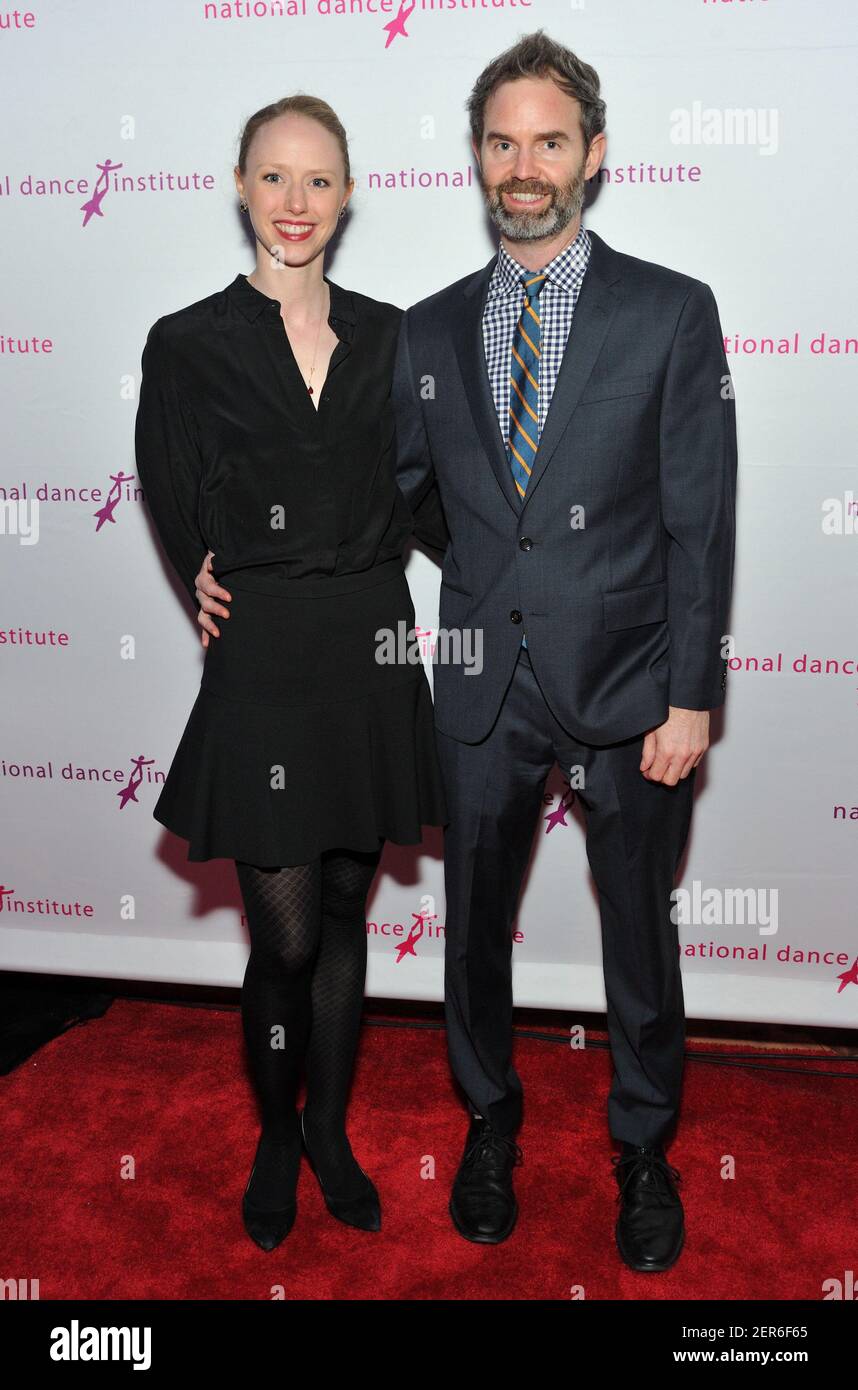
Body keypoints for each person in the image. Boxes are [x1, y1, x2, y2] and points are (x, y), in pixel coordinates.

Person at [390, 31, 736, 1271]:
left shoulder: (670, 312)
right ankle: (489, 1125)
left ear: (593, 153)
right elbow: (404, 498)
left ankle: (644, 1146)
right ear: (477, 159)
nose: (523, 167)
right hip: (481, 686)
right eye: (501, 142)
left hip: (633, 687)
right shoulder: (426, 333)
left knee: (639, 931)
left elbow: (700, 519)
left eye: (548, 141)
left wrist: (691, 693)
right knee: (474, 927)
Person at [134, 95, 448, 1253]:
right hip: (266, 659)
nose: (296, 203)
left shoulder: (395, 337)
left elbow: (424, 498)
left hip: (371, 646)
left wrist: (526, 590)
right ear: (239, 184)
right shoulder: (188, 342)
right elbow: (172, 495)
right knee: (287, 939)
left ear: (350, 193)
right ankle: (277, 1129)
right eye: (276, 177)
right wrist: (200, 576)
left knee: (344, 917)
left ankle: (331, 1133)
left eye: (319, 180)